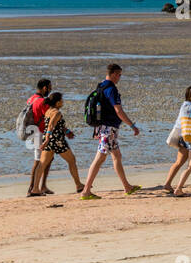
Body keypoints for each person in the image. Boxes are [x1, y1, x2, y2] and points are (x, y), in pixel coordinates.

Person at [80, 63, 142, 200]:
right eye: (119, 75)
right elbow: (118, 110)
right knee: (100, 158)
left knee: (117, 156)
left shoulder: (101, 86)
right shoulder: (111, 89)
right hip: (109, 129)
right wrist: (132, 125)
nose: (119, 77)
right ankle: (86, 191)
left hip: (104, 128)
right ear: (113, 74)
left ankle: (127, 187)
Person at [31, 92, 85, 195]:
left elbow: (56, 125)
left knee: (42, 164)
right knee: (72, 160)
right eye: (61, 100)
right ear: (57, 102)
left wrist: (67, 132)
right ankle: (78, 185)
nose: (63, 102)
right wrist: (47, 139)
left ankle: (35, 189)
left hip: (50, 140)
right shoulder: (57, 113)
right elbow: (51, 126)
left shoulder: (48, 111)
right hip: (57, 141)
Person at [25, 78, 52, 196]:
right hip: (40, 133)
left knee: (48, 159)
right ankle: (32, 188)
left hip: (33, 132)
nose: (50, 90)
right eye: (49, 88)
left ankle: (43, 186)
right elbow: (50, 117)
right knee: (38, 161)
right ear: (44, 88)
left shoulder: (31, 99)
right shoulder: (42, 101)